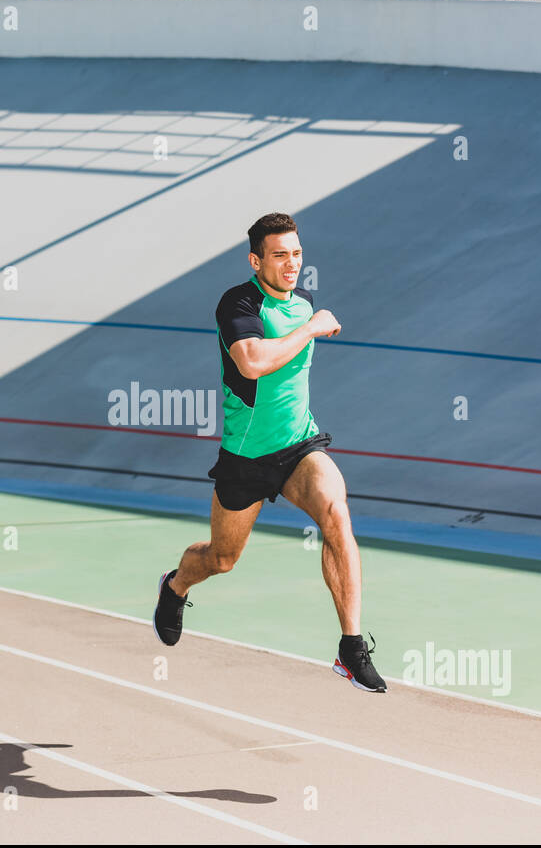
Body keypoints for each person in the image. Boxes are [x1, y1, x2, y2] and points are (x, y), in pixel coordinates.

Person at [152, 212, 387, 693]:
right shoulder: (238, 303)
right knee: (221, 558)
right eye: (279, 255)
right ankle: (175, 586)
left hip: (300, 445)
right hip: (245, 458)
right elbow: (253, 362)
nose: (291, 264)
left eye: (296, 253)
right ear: (256, 260)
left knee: (336, 514)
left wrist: (311, 319)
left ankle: (351, 645)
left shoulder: (304, 303)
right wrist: (312, 328)